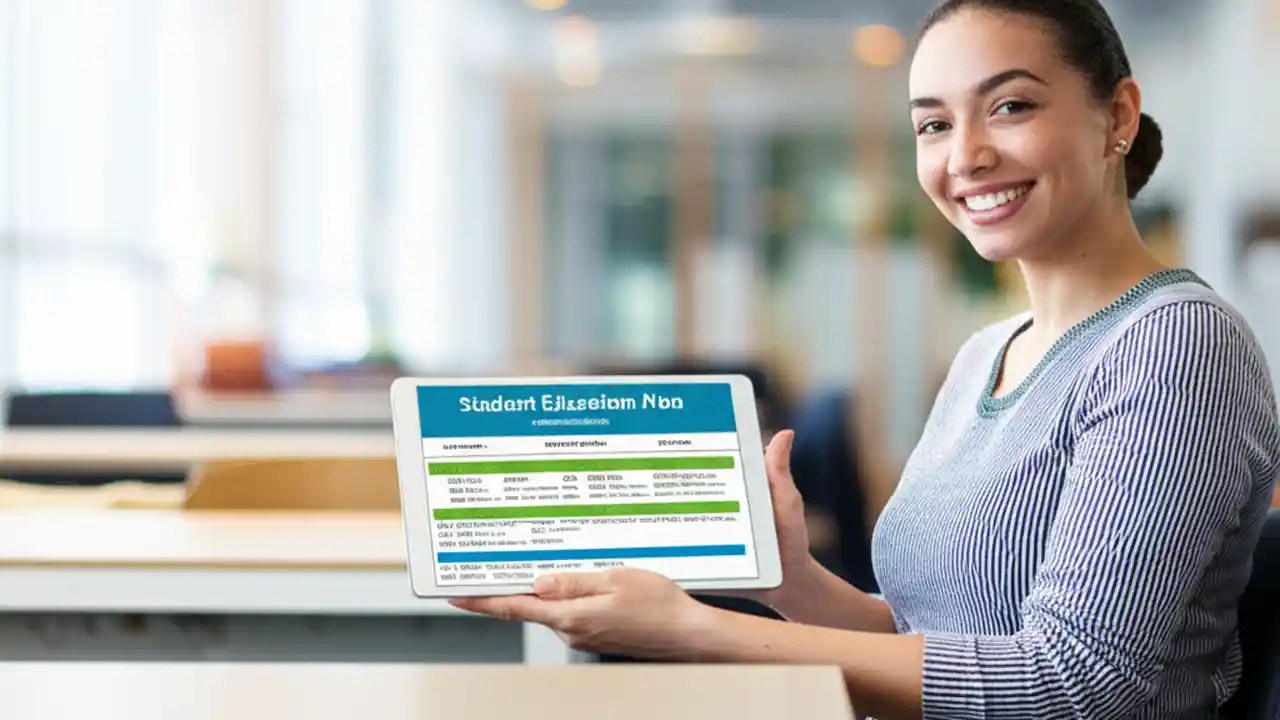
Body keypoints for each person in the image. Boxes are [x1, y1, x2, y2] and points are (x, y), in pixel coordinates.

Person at [451, 1, 1280, 717]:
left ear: (1118, 116)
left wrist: (692, 627)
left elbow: (1071, 684)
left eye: (1011, 106)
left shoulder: (1177, 345)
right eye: (933, 124)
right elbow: (931, 643)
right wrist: (789, 582)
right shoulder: (988, 352)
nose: (965, 155)